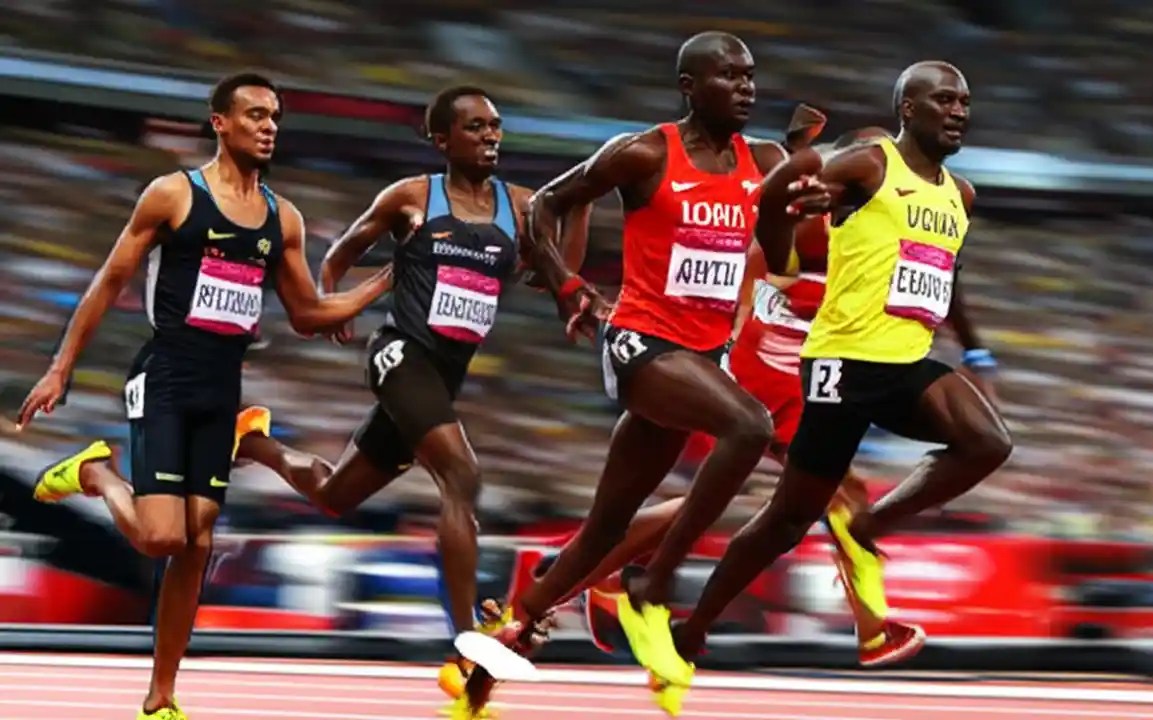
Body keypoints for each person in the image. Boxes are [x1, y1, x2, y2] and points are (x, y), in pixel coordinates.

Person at [457, 31, 830, 716]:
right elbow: (544, 204)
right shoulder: (644, 152)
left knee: (603, 529)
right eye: (729, 77)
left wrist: (800, 214)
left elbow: (782, 259)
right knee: (748, 425)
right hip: (642, 347)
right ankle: (654, 593)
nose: (746, 88)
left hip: (703, 358)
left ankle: (491, 655)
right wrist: (566, 283)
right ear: (689, 87)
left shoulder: (768, 161)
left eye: (751, 77)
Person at [630, 61, 1014, 703]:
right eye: (943, 100)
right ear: (908, 109)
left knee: (989, 442)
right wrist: (784, 240)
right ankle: (693, 630)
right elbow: (775, 191)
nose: (958, 111)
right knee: (787, 519)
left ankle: (866, 530)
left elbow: (946, 278)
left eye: (965, 102)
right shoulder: (868, 163)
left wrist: (975, 352)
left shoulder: (960, 195)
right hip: (843, 364)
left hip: (907, 361)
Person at [15, 72, 390, 719]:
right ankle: (96, 471)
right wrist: (60, 368)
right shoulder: (174, 196)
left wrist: (387, 278)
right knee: (162, 537)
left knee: (198, 542)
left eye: (275, 115)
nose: (269, 125)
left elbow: (307, 312)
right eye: (254, 114)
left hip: (223, 386)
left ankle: (161, 698)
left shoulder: (283, 217)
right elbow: (109, 281)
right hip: (166, 374)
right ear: (220, 122)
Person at [294, 85, 582, 713]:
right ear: (441, 139)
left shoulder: (523, 208)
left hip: (443, 378)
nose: (490, 136)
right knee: (463, 474)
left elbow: (557, 274)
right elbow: (343, 249)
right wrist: (330, 297)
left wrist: (575, 209)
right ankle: (466, 645)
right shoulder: (412, 197)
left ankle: (252, 440)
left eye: (496, 126)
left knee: (335, 494)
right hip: (398, 355)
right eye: (475, 127)